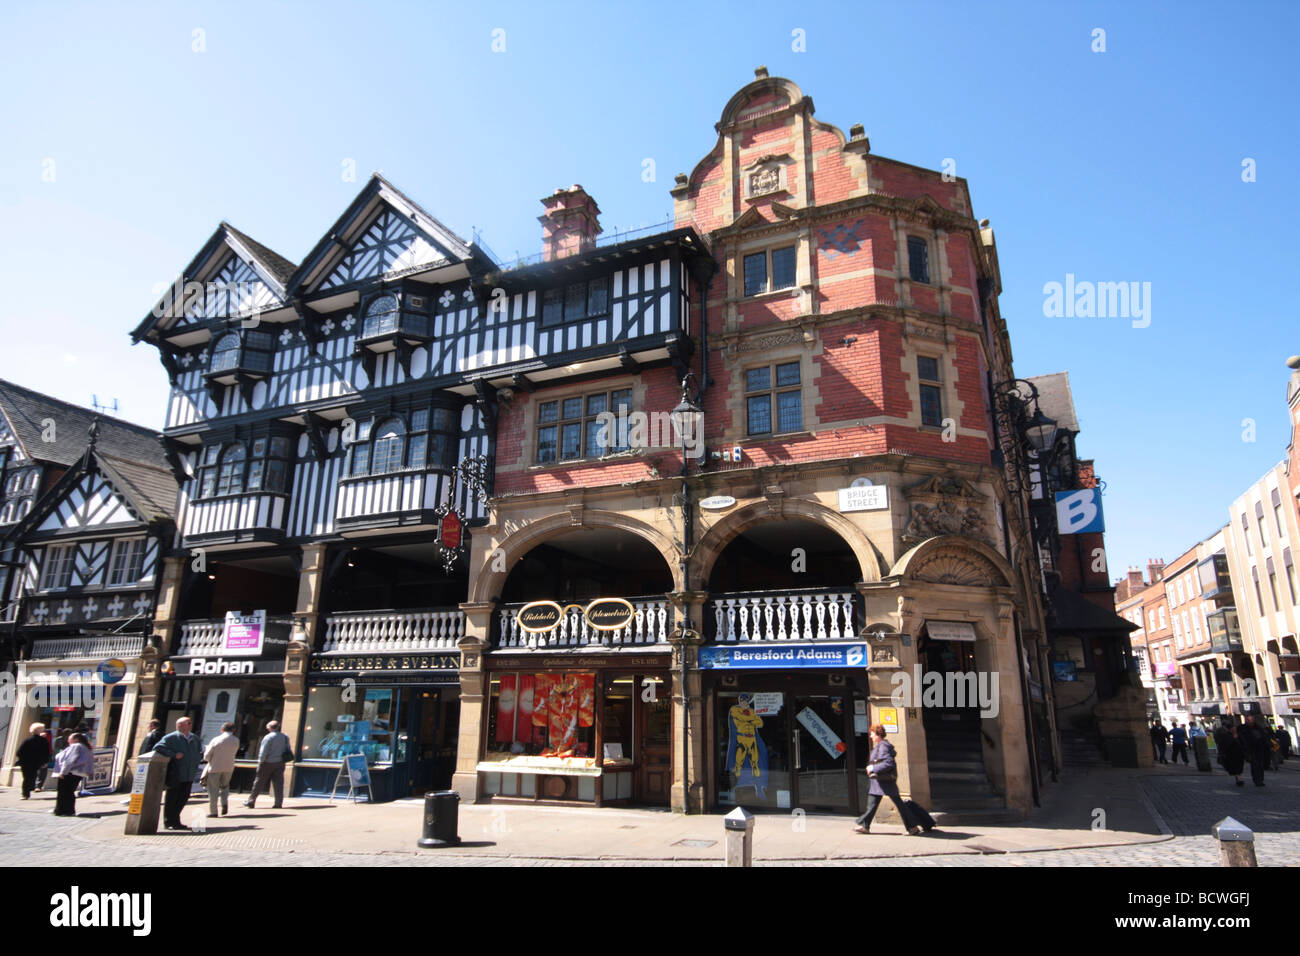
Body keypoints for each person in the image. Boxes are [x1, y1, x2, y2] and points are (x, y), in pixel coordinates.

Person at [853, 724, 920, 836]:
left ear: (878, 734)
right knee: (872, 804)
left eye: (872, 734)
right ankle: (864, 825)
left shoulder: (883, 746)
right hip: (878, 782)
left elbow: (888, 763)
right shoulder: (880, 745)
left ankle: (912, 827)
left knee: (899, 804)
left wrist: (873, 768)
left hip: (884, 781)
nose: (871, 736)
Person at [153, 717, 202, 830]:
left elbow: (199, 750)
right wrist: (173, 754)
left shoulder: (194, 738)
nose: (190, 725)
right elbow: (158, 747)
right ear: (180, 725)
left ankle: (176, 820)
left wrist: (197, 759)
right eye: (188, 723)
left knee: (183, 798)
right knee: (172, 799)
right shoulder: (171, 738)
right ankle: (169, 822)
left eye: (190, 723)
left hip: (189, 774)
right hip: (176, 774)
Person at [244, 719, 293, 809]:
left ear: (269, 727)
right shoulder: (285, 737)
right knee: (278, 783)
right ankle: (278, 803)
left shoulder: (268, 737)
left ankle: (251, 800)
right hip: (280, 763)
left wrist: (260, 762)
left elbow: (263, 752)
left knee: (259, 782)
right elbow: (288, 749)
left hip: (267, 762)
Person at [203, 721, 240, 817]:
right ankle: (224, 803)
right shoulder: (236, 740)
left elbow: (207, 755)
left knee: (213, 790)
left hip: (215, 767)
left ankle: (213, 811)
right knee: (225, 786)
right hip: (229, 767)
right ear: (234, 730)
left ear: (222, 729)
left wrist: (210, 759)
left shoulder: (216, 739)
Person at [53, 733, 93, 816]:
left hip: (70, 772)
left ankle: (61, 810)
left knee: (64, 792)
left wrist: (63, 772)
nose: (68, 740)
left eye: (69, 738)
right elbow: (90, 762)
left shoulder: (76, 746)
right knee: (70, 791)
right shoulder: (87, 748)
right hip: (79, 773)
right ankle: (68, 810)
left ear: (76, 739)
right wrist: (89, 772)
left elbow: (69, 760)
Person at [17, 723, 52, 800]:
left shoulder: (27, 740)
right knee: (32, 776)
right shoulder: (43, 741)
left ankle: (25, 794)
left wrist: (22, 759)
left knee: (26, 778)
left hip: (25, 762)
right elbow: (46, 753)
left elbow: (19, 752)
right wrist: (45, 762)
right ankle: (28, 790)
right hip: (36, 763)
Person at [1240, 715, 1272, 787]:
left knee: (1260, 765)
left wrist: (1268, 746)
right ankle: (1257, 780)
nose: (1248, 721)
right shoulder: (1243, 728)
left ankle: (1260, 780)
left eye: (1250, 720)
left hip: (1260, 749)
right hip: (1250, 750)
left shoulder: (1258, 728)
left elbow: (1264, 738)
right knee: (1255, 765)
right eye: (1247, 720)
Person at [1214, 721, 1246, 787]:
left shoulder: (1239, 735)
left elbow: (1243, 743)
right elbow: (1224, 745)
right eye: (1233, 728)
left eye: (1235, 728)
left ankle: (1238, 777)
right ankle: (1239, 778)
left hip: (1240, 754)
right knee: (1235, 767)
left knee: (1240, 766)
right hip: (1231, 754)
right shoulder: (1227, 736)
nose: (1234, 730)